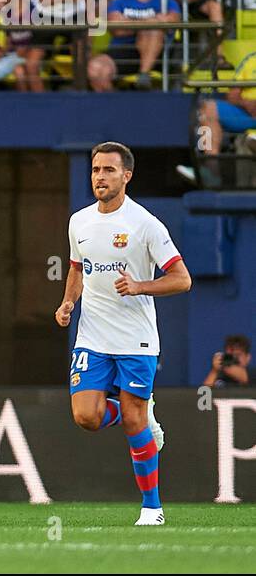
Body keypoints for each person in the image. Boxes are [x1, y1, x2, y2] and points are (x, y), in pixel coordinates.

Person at [57, 141, 191, 526]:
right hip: (92, 335)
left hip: (136, 337)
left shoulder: (145, 224)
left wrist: (140, 286)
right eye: (96, 170)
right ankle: (139, 413)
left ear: (126, 176)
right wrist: (68, 303)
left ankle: (152, 508)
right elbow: (77, 268)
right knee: (86, 417)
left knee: (134, 422)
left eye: (109, 171)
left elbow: (182, 280)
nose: (100, 177)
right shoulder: (79, 221)